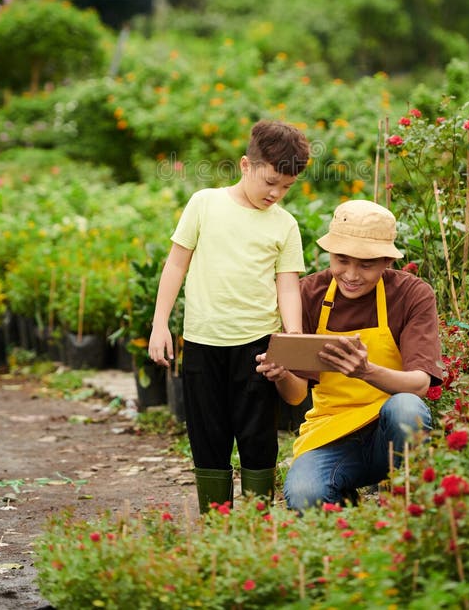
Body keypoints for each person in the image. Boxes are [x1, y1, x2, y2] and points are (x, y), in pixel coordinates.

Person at [148, 119, 310, 513]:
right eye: (270, 181)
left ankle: (254, 525)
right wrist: (159, 325)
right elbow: (176, 265)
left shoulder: (285, 226)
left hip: (258, 347)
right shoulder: (205, 204)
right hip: (204, 342)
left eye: (286, 187)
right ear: (245, 165)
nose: (276, 193)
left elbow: (287, 285)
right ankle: (217, 525)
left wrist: (293, 338)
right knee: (208, 436)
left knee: (257, 436)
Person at [257, 199, 443, 511]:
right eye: (341, 260)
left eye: (366, 265)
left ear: (387, 261)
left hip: (390, 430)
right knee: (304, 494)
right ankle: (342, 500)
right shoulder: (309, 294)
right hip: (333, 431)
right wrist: (282, 374)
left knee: (406, 409)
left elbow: (419, 384)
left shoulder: (412, 294)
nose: (352, 275)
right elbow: (295, 395)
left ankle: (404, 506)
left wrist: (366, 371)